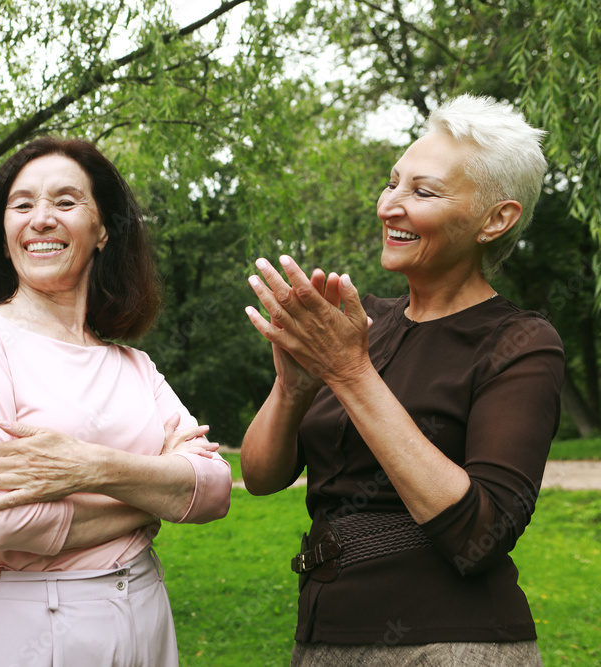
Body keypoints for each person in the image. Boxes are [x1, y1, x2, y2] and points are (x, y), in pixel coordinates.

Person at [241, 94, 564, 665]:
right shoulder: (360, 323)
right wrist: (293, 387)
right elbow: (262, 477)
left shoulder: (520, 343)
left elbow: (478, 537)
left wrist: (349, 373)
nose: (389, 206)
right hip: (321, 638)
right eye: (392, 183)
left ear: (496, 219)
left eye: (423, 192)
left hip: (451, 644)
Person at [0, 137, 232, 666]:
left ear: (103, 230)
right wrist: (157, 493)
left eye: (65, 202)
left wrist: (91, 468)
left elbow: (214, 489)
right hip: (30, 629)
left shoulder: (134, 366)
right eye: (22, 205)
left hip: (146, 613)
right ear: (4, 235)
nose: (41, 219)